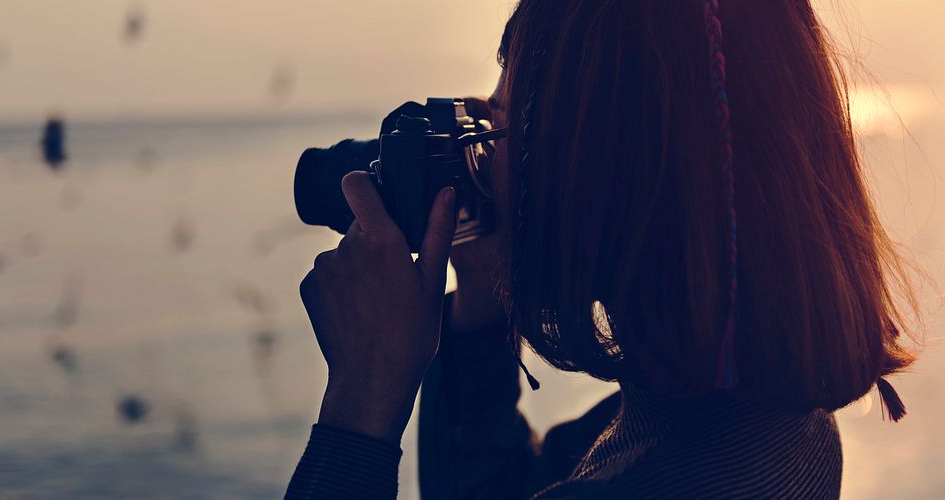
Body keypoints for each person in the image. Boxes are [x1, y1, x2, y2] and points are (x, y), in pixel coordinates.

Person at [286, 0, 919, 498]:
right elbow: (496, 493)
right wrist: (480, 295)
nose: (485, 157)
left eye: (499, 127)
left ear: (588, 174)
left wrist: (361, 403)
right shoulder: (774, 418)